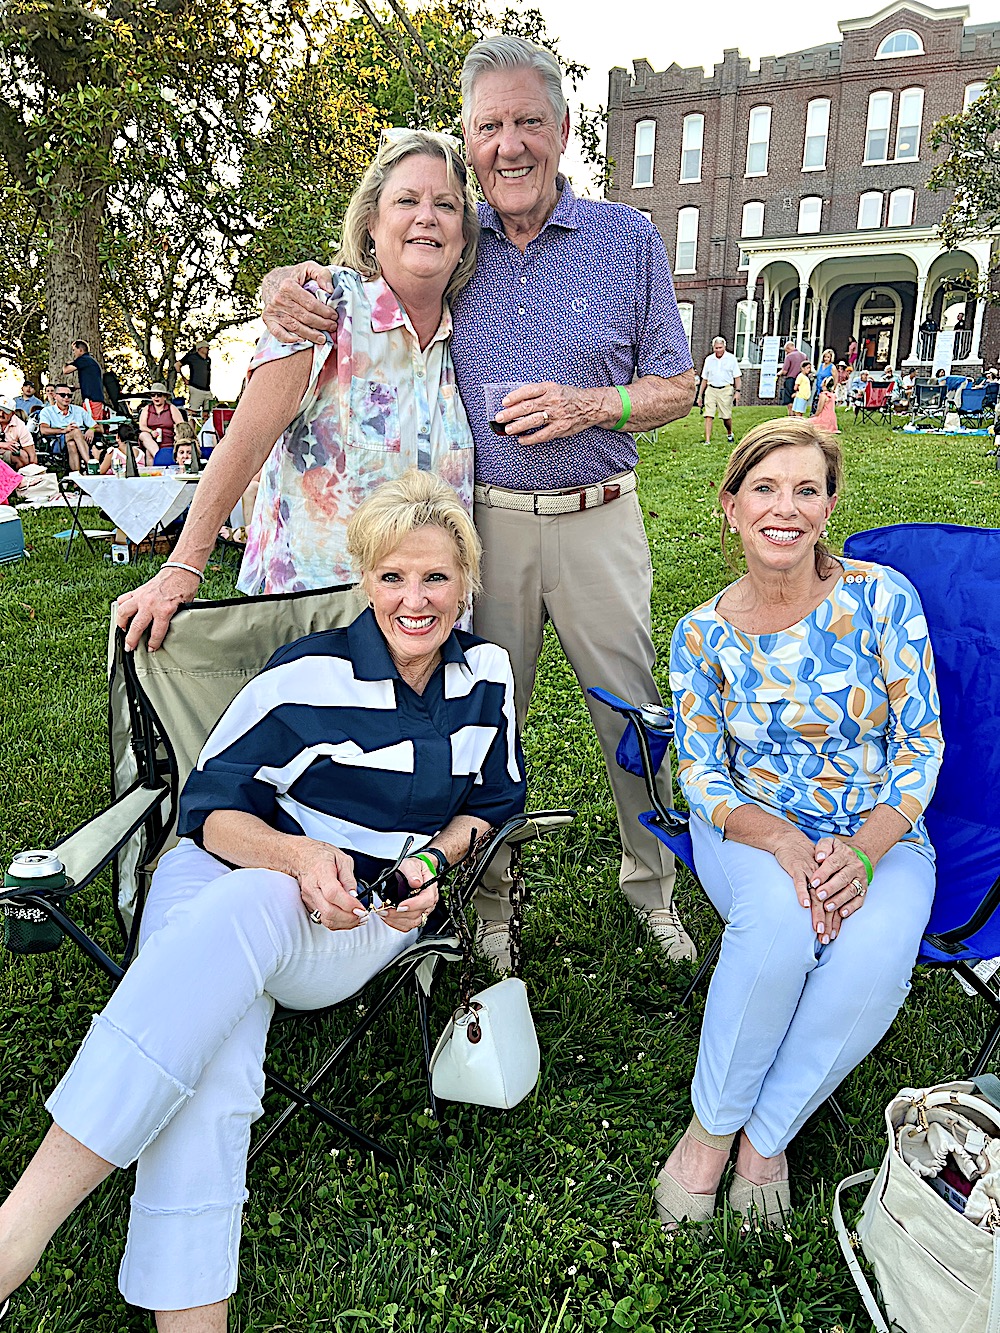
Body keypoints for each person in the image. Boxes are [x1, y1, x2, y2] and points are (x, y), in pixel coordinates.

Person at [0, 470, 526, 1330]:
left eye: (435, 577)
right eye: (392, 576)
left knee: (240, 927)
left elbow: (496, 801)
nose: (415, 598)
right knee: (220, 1039)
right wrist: (296, 852)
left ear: (465, 582)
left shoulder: (486, 677)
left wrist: (431, 861)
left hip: (357, 915)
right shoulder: (304, 674)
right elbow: (207, 810)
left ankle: (14, 1234)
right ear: (365, 579)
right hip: (224, 871)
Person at [257, 36, 699, 969]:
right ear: (469, 139)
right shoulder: (456, 240)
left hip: (601, 513)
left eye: (528, 121)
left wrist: (593, 405)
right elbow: (364, 267)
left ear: (564, 129)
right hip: (485, 524)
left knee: (635, 714)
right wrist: (280, 284)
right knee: (480, 721)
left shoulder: (628, 240)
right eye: (490, 126)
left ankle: (653, 888)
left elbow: (678, 384)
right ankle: (489, 903)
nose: (510, 145)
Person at [653, 419, 942, 1229]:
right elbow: (703, 774)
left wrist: (864, 850)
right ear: (732, 507)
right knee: (779, 928)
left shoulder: (883, 599)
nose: (786, 508)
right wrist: (783, 842)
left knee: (876, 957)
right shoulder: (701, 633)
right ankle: (707, 1136)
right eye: (765, 488)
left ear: (829, 506)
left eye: (806, 489)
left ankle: (765, 1136)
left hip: (876, 824)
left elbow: (921, 744)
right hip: (751, 828)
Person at [117, 127, 478, 668]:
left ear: (464, 236)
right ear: (371, 226)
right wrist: (184, 565)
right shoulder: (323, 308)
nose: (427, 215)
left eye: (445, 204)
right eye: (407, 200)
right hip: (318, 623)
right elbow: (247, 437)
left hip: (428, 629)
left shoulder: (470, 338)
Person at [37, 384, 99, 472]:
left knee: (71, 444)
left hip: (81, 441)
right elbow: (43, 430)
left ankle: (76, 479)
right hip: (57, 441)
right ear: (55, 396)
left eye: (69, 395)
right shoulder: (47, 411)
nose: (66, 397)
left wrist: (91, 429)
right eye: (63, 395)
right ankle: (89, 463)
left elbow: (98, 427)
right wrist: (64, 430)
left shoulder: (79, 410)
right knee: (76, 431)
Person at [696, 337, 741, 443]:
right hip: (711, 389)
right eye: (716, 348)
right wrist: (699, 395)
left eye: (720, 348)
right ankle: (707, 440)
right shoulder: (709, 360)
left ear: (724, 347)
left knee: (726, 417)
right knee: (708, 414)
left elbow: (737, 377)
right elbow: (704, 379)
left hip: (726, 389)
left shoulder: (731, 359)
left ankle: (729, 432)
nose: (718, 350)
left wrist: (737, 392)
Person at [138, 384, 185, 462]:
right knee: (143, 435)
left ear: (165, 397)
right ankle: (160, 457)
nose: (156, 397)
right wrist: (151, 432)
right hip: (152, 440)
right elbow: (142, 426)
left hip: (169, 440)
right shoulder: (147, 409)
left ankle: (160, 458)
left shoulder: (171, 408)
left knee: (149, 453)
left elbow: (181, 426)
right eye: (153, 395)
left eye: (159, 395)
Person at [62, 340, 106, 422]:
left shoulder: (83, 359)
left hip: (91, 399)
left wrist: (66, 363)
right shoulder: (90, 361)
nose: (74, 353)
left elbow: (66, 370)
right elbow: (92, 381)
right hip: (95, 398)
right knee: (95, 423)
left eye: (74, 350)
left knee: (92, 424)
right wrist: (77, 387)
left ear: (80, 350)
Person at [0, 397, 38, 470]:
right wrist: (3, 444)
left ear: (13, 413)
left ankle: (17, 477)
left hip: (5, 453)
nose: (1, 414)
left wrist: (33, 469)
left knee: (22, 456)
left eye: (5, 412)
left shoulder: (20, 425)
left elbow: (31, 452)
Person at [175, 342, 214, 413]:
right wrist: (184, 378)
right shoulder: (192, 357)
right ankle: (191, 424)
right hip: (196, 388)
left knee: (208, 411)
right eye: (206, 347)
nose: (208, 349)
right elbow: (177, 365)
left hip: (207, 390)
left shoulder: (208, 359)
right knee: (193, 411)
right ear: (200, 348)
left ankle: (206, 424)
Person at [779, 342, 806, 410]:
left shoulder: (789, 356)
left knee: (789, 399)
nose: (786, 353)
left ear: (788, 348)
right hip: (802, 380)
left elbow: (785, 371)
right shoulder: (804, 356)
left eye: (786, 351)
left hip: (791, 380)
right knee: (798, 398)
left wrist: (779, 373)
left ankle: (791, 416)